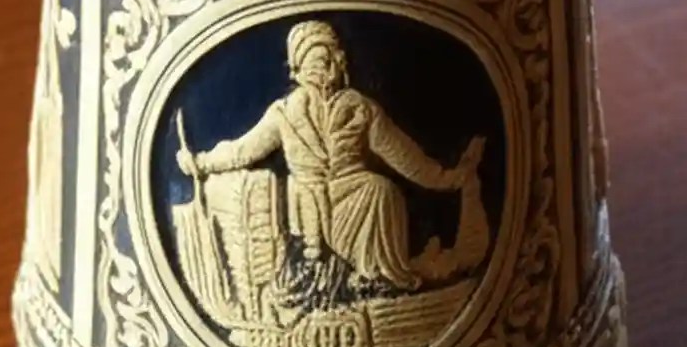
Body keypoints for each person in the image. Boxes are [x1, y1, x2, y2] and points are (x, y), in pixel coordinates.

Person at [178, 20, 484, 292]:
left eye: (325, 59)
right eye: (311, 61)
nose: (320, 68)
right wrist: (202, 163)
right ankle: (316, 274)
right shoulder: (283, 113)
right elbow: (243, 149)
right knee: (318, 196)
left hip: (351, 189)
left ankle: (376, 277)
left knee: (380, 189)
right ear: (297, 71)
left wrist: (446, 178)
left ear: (339, 63)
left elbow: (403, 154)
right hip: (308, 199)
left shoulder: (359, 108)